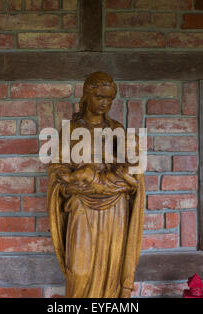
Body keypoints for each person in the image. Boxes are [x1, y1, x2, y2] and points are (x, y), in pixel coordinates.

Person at [47, 72, 145, 298]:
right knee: (79, 269)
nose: (105, 103)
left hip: (115, 206)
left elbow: (133, 170)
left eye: (110, 99)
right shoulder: (71, 130)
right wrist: (70, 184)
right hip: (81, 202)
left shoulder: (117, 129)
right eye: (100, 97)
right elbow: (57, 170)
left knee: (111, 264)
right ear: (87, 95)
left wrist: (128, 182)